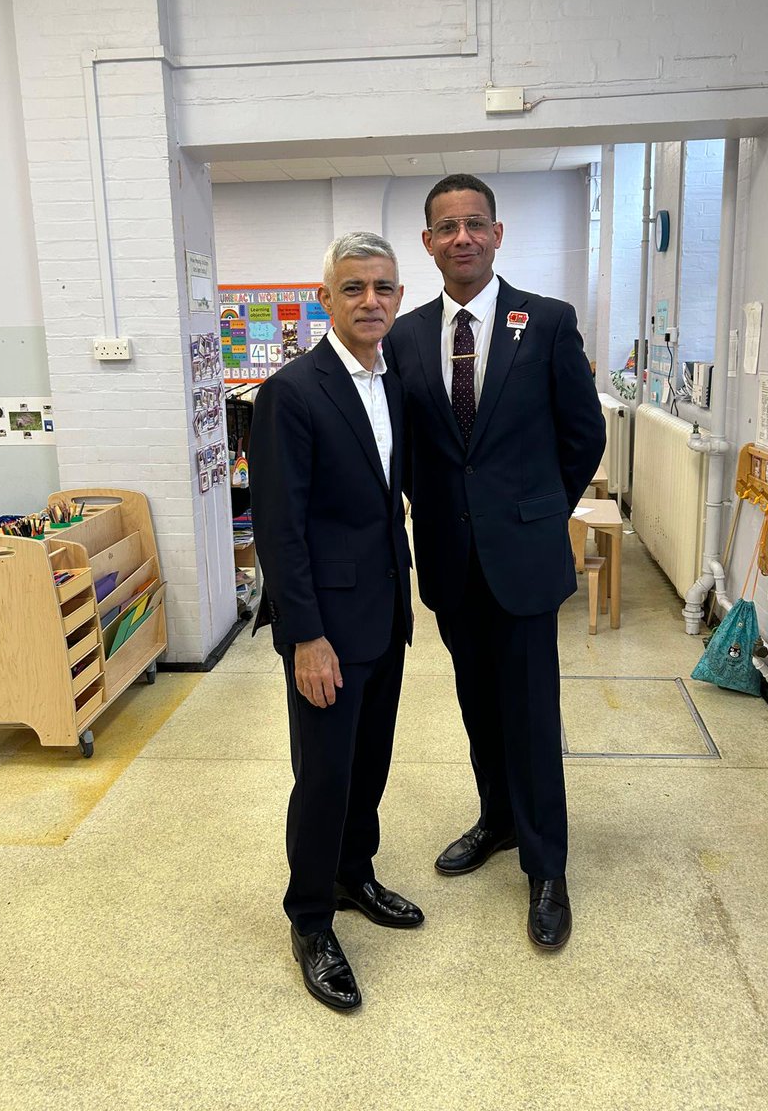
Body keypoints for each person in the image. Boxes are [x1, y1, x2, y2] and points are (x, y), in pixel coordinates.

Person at [383, 175, 606, 951]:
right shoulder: (407, 337)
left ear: (497, 234)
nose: (463, 238)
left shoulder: (545, 322)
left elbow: (583, 434)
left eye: (475, 224)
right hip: (450, 558)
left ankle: (547, 868)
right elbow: (408, 450)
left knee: (531, 715)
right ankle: (498, 820)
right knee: (477, 704)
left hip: (524, 557)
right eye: (447, 227)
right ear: (428, 242)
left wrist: (537, 508)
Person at [250, 232, 422, 1012]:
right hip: (327, 628)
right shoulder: (293, 392)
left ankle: (355, 874)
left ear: (399, 297)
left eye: (383, 288)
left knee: (369, 764)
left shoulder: (393, 383)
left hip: (384, 612)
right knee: (323, 776)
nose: (370, 301)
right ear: (326, 299)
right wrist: (305, 637)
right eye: (353, 288)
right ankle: (311, 919)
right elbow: (278, 528)